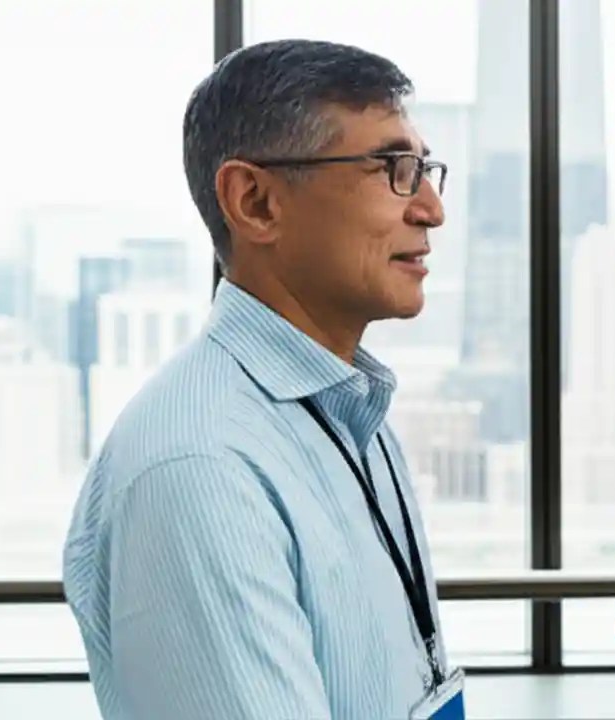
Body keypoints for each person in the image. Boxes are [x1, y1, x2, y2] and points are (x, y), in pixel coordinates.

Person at [61, 39, 459, 720]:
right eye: (393, 168)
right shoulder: (201, 466)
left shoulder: (348, 412)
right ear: (256, 202)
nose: (430, 209)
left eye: (424, 168)